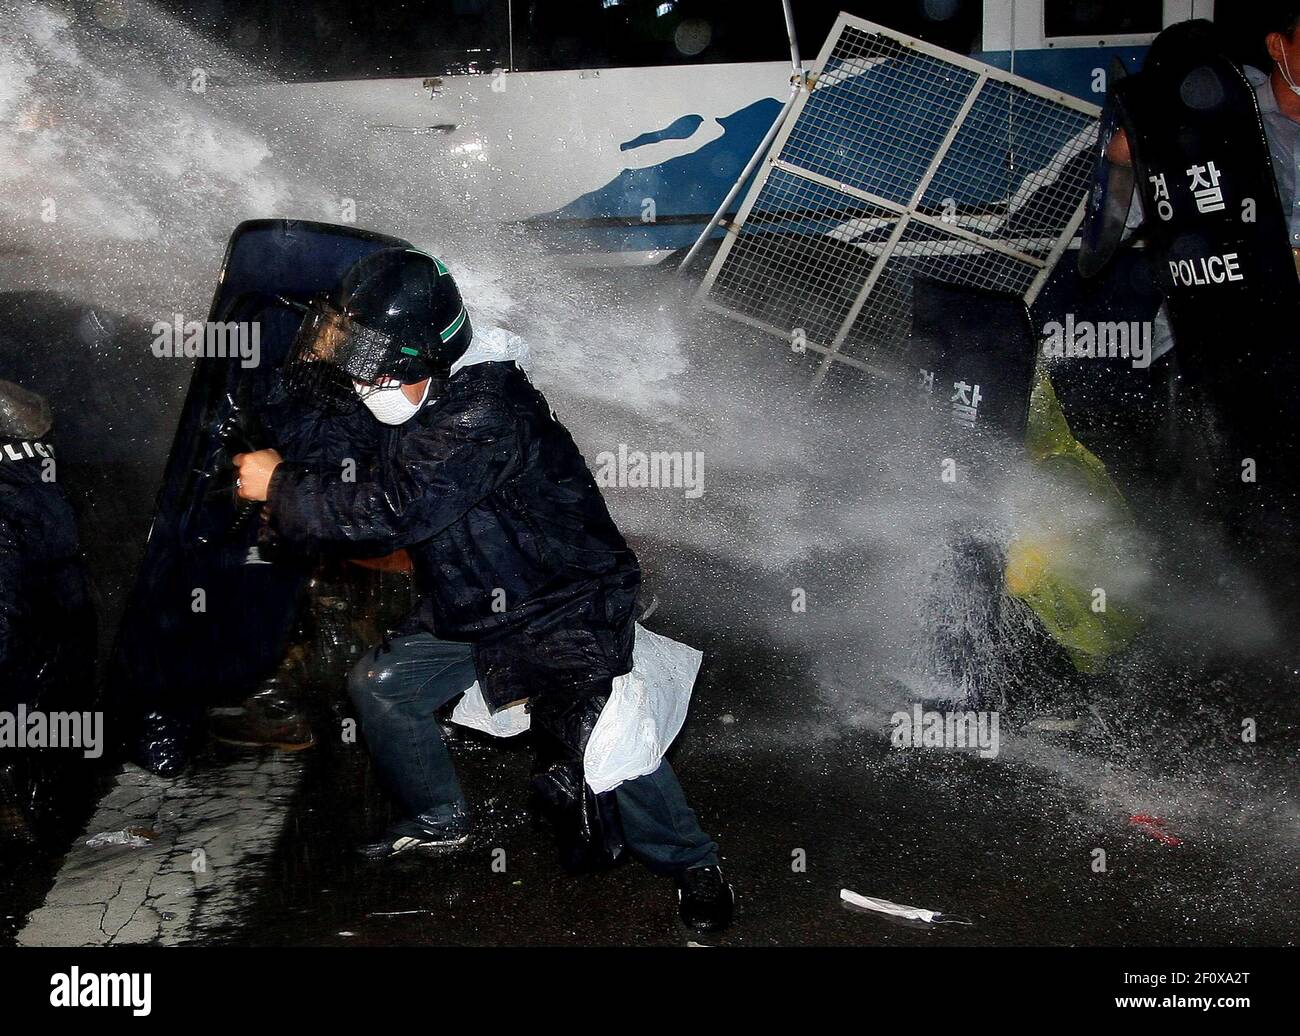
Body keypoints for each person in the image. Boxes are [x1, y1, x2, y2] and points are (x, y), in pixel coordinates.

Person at [233, 247, 734, 932]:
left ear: (423, 360)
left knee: (608, 745)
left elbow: (391, 510)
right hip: (475, 595)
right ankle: (441, 818)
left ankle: (693, 862)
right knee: (384, 687)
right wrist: (272, 416)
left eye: (377, 372)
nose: (363, 383)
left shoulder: (483, 411)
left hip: (559, 605)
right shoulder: (414, 391)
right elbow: (339, 439)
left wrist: (281, 487)